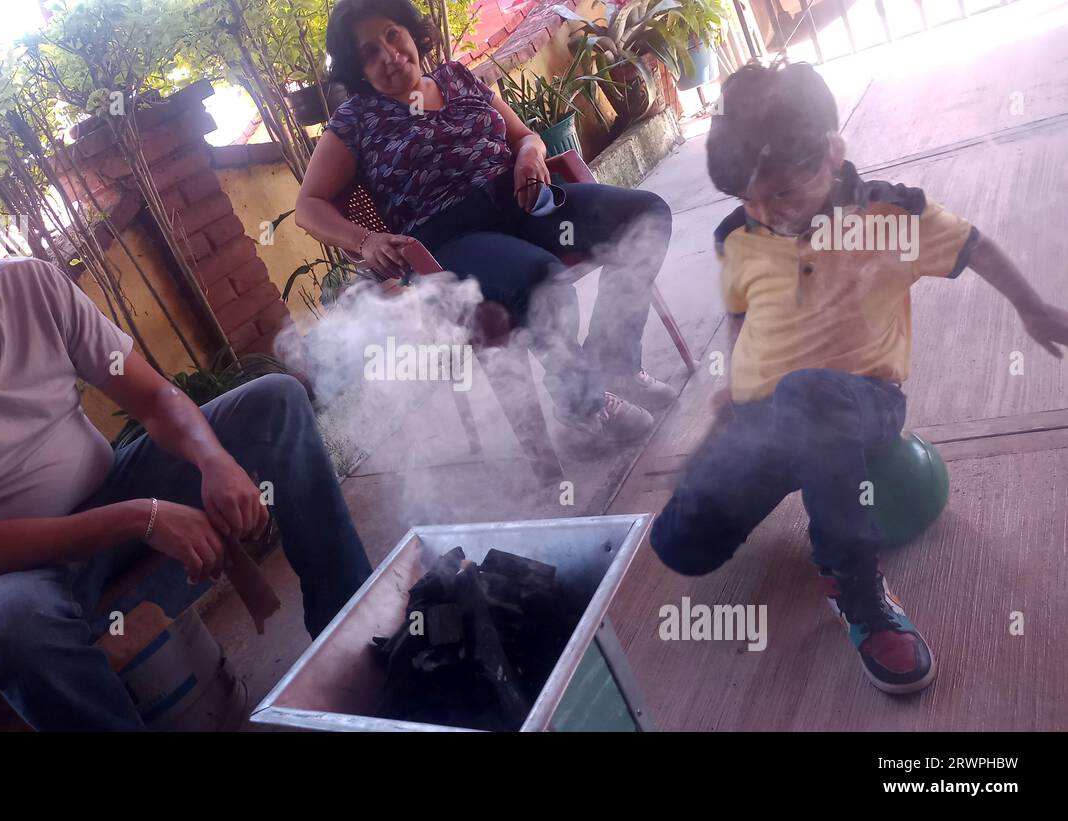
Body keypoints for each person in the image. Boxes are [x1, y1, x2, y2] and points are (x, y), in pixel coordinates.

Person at [0, 148, 373, 730]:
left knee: (273, 401)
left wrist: (213, 458)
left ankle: (356, 635)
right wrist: (141, 518)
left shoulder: (27, 285)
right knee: (11, 628)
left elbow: (155, 399)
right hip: (14, 571)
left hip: (114, 489)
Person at [650, 62, 1068, 694]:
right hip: (767, 417)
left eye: (784, 194)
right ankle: (783, 473)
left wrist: (1031, 307)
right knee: (681, 546)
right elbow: (742, 311)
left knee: (807, 392)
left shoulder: (890, 215)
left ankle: (856, 592)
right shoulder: (737, 236)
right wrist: (734, 394)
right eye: (749, 200)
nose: (768, 214)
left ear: (832, 153)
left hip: (861, 403)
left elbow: (974, 245)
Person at [295, 0, 677, 443]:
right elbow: (310, 204)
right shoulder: (355, 121)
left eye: (392, 35)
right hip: (450, 239)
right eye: (369, 53)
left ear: (411, 33)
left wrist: (531, 156)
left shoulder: (457, 77)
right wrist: (363, 241)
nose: (389, 55)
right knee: (539, 278)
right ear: (357, 68)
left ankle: (615, 362)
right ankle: (581, 405)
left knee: (645, 216)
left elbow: (524, 136)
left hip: (521, 201)